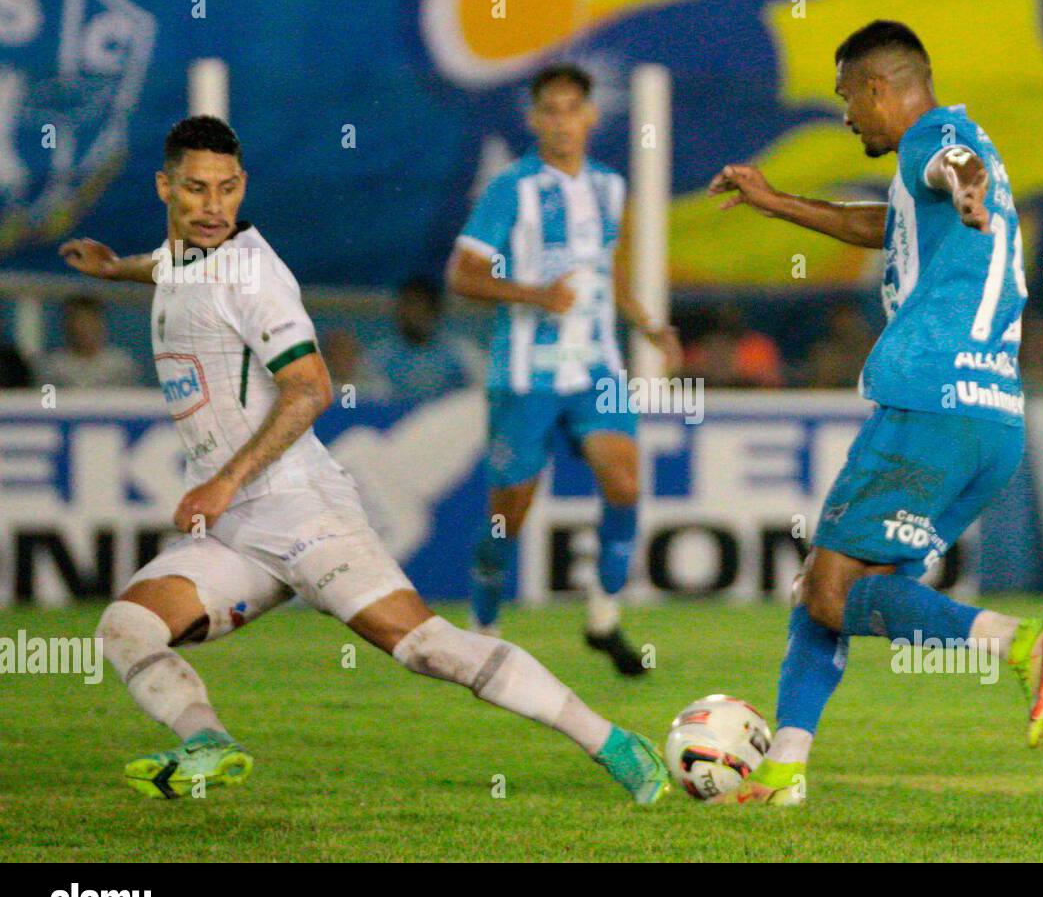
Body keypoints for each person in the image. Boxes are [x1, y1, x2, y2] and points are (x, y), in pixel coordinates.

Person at [58, 115, 668, 803]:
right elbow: (170, 264)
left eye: (227, 190)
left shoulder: (255, 275)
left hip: (301, 509)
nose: (213, 207)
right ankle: (209, 742)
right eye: (196, 191)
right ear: (166, 188)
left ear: (242, 186)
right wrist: (117, 269)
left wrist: (223, 481)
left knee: (427, 648)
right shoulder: (180, 259)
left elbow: (311, 387)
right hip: (238, 531)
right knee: (127, 626)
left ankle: (611, 741)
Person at [708, 20, 1043, 805]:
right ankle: (784, 769)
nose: (848, 116)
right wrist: (775, 202)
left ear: (880, 88)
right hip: (991, 422)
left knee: (825, 588)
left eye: (849, 97)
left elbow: (953, 163)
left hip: (928, 402)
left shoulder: (934, 139)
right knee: (833, 586)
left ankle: (1020, 645)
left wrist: (966, 179)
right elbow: (882, 225)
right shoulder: (937, 175)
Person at [448, 64, 682, 674]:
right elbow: (463, 274)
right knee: (509, 517)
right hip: (526, 376)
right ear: (533, 119)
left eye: (571, 109)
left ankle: (603, 618)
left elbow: (607, 269)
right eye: (548, 110)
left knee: (626, 484)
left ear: (591, 115)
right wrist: (533, 294)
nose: (562, 121)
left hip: (597, 368)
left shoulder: (609, 185)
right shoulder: (512, 188)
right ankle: (483, 623)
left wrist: (649, 324)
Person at [368, 278, 478, 400]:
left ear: (434, 312)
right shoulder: (380, 356)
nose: (412, 316)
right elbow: (368, 398)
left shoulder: (461, 353)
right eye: (407, 309)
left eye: (419, 309)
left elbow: (480, 393)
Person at [38, 295, 141, 388]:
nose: (85, 329)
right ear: (68, 326)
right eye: (79, 322)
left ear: (100, 325)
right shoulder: (54, 366)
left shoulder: (120, 364)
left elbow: (133, 402)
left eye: (90, 321)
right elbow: (44, 404)